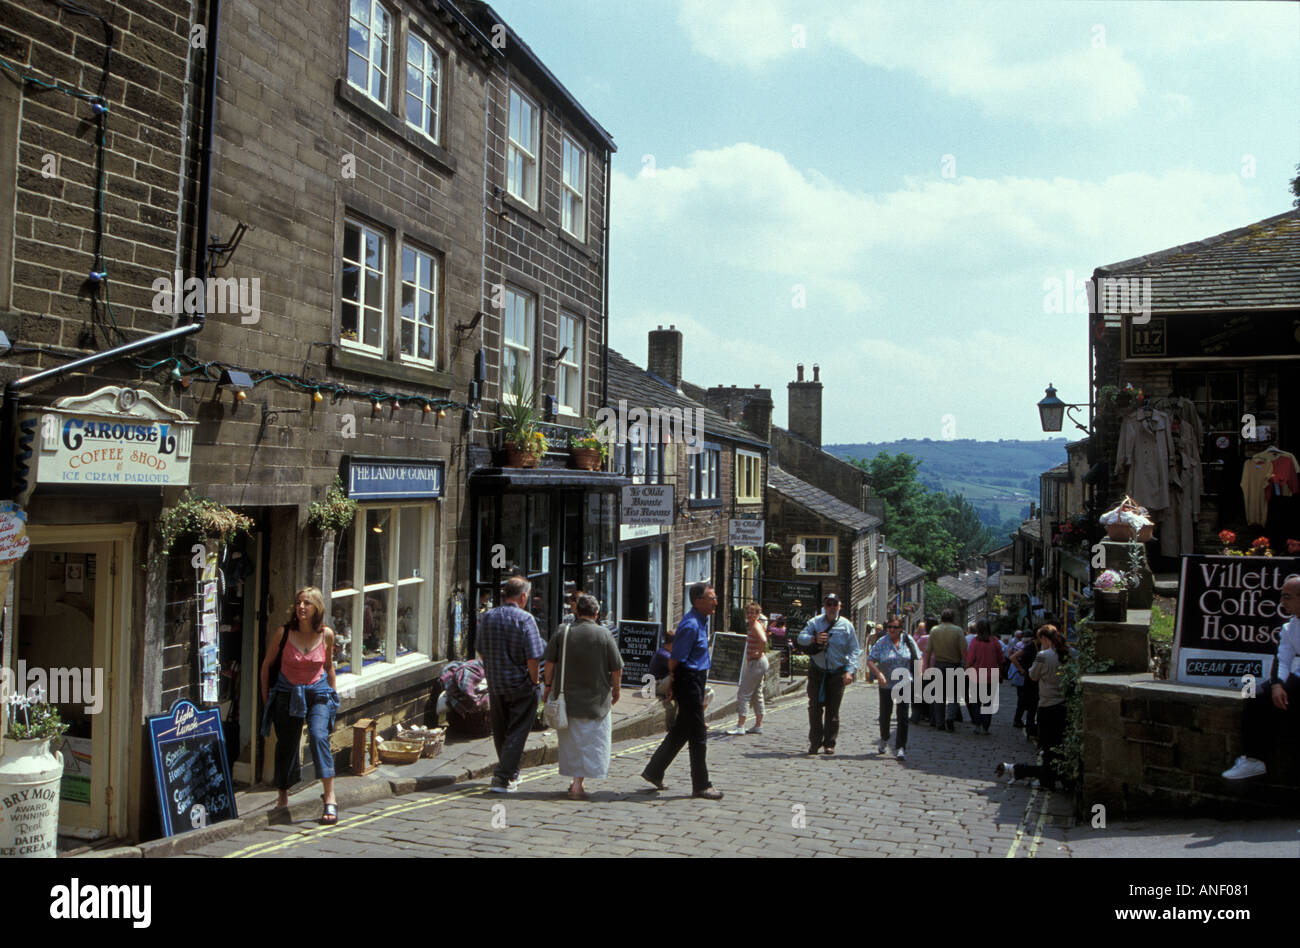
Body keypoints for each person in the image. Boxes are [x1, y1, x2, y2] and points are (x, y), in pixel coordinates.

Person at [260, 586, 341, 824]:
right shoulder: (283, 633)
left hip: (318, 693)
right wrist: (267, 701)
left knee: (318, 737)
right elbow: (266, 666)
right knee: (287, 744)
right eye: (298, 603)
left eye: (306, 603)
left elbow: (328, 666)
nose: (301, 607)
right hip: (288, 693)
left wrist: (333, 696)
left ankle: (330, 797)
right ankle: (283, 796)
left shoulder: (326, 634)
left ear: (317, 608)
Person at [641, 583, 724, 799]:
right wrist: (672, 684)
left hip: (694, 680)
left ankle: (654, 770)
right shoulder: (690, 625)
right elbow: (675, 659)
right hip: (688, 680)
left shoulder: (700, 621)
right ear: (698, 601)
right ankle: (701, 785)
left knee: (681, 731)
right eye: (711, 598)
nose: (716, 601)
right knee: (698, 734)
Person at [542, 594, 622, 800]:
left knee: (571, 742)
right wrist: (616, 690)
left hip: (566, 700)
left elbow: (549, 663)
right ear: (596, 614)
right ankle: (578, 784)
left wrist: (547, 686)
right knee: (592, 741)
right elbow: (616, 668)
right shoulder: (604, 634)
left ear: (577, 612)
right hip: (597, 701)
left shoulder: (563, 632)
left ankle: (577, 783)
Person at [1223, 575, 1300, 779]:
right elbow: (1282, 659)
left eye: (1287, 597)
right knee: (1253, 692)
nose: (1282, 602)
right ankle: (1253, 760)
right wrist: (1276, 685)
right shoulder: (1290, 626)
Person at [476, 576, 546, 793]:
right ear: (523, 596)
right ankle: (502, 777)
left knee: (501, 730)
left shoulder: (487, 617)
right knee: (517, 732)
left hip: (496, 683)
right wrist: (535, 681)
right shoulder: (526, 620)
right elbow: (534, 657)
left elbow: (479, 650)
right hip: (521, 685)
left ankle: (511, 773)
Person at [997, 625, 1070, 788]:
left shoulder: (1043, 656)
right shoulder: (1070, 653)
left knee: (1046, 746)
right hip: (1064, 705)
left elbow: (1033, 676)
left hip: (1047, 704)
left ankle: (1041, 777)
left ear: (1044, 639)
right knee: (1059, 745)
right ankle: (1047, 775)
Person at [796, 593, 860, 755]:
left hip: (837, 673)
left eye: (834, 604)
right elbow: (800, 638)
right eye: (828, 604)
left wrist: (849, 672)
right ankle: (815, 743)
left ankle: (829, 743)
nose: (831, 607)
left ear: (840, 606)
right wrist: (813, 639)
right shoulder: (815, 622)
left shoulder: (846, 626)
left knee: (833, 710)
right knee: (815, 708)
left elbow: (854, 650)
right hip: (817, 671)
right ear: (824, 606)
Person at [865, 614, 920, 759]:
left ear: (901, 628)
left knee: (902, 716)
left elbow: (918, 658)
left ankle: (901, 747)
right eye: (889, 627)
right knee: (885, 715)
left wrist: (918, 679)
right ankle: (884, 738)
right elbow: (870, 660)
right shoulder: (882, 642)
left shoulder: (908, 640)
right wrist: (878, 674)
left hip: (904, 683)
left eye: (895, 627)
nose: (892, 630)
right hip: (886, 683)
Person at [726, 602, 768, 735]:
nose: (750, 615)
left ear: (757, 614)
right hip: (759, 663)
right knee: (757, 694)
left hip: (757, 663)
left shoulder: (755, 625)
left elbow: (763, 640)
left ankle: (740, 726)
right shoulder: (756, 625)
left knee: (743, 693)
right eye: (748, 612)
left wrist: (759, 652)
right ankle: (758, 725)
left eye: (753, 612)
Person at [925, 608, 967, 731]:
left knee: (939, 696)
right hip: (954, 665)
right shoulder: (958, 631)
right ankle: (950, 716)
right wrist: (967, 666)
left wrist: (927, 667)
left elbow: (928, 651)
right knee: (954, 694)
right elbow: (964, 651)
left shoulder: (934, 630)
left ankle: (939, 722)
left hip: (939, 665)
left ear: (941, 618)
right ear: (953, 618)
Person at [964, 619, 1004, 735]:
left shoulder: (975, 643)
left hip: (976, 676)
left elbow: (970, 660)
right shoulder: (995, 642)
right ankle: (986, 726)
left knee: (975, 702)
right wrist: (1000, 673)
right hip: (991, 676)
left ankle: (977, 724)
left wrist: (965, 670)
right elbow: (1000, 660)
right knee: (987, 703)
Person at [1010, 630, 1040, 738]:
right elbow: (1013, 657)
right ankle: (1027, 725)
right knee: (1028, 702)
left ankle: (1027, 725)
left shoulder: (1037, 647)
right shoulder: (1031, 647)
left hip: (1033, 678)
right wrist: (1022, 670)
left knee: (1027, 702)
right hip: (1029, 679)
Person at [910, 617, 933, 724]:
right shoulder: (932, 637)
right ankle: (928, 714)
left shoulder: (922, 639)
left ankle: (917, 715)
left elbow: (914, 649)